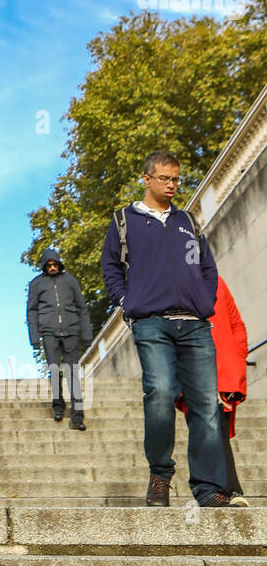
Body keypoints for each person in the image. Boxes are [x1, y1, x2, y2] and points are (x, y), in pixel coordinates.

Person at [101, 149, 229, 508]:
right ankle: (160, 474)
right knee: (159, 394)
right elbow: (110, 266)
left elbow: (208, 267)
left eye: (176, 179)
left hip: (194, 324)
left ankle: (206, 488)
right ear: (147, 178)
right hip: (151, 323)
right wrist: (127, 302)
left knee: (205, 404)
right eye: (165, 178)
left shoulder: (187, 220)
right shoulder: (123, 220)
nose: (173, 185)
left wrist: (206, 301)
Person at [177, 276, 249, 507]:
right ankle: (226, 489)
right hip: (194, 367)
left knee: (217, 427)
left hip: (223, 368)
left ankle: (227, 489)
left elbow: (237, 324)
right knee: (210, 428)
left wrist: (237, 359)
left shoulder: (216, 281)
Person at [26, 249, 93, 429]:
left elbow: (82, 307)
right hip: (49, 332)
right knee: (55, 371)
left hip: (71, 330)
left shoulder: (70, 280)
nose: (53, 267)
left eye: (55, 264)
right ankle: (58, 406)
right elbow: (31, 311)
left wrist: (86, 334)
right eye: (49, 265)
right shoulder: (36, 284)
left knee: (72, 372)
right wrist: (34, 337)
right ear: (44, 266)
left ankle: (78, 416)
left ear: (59, 264)